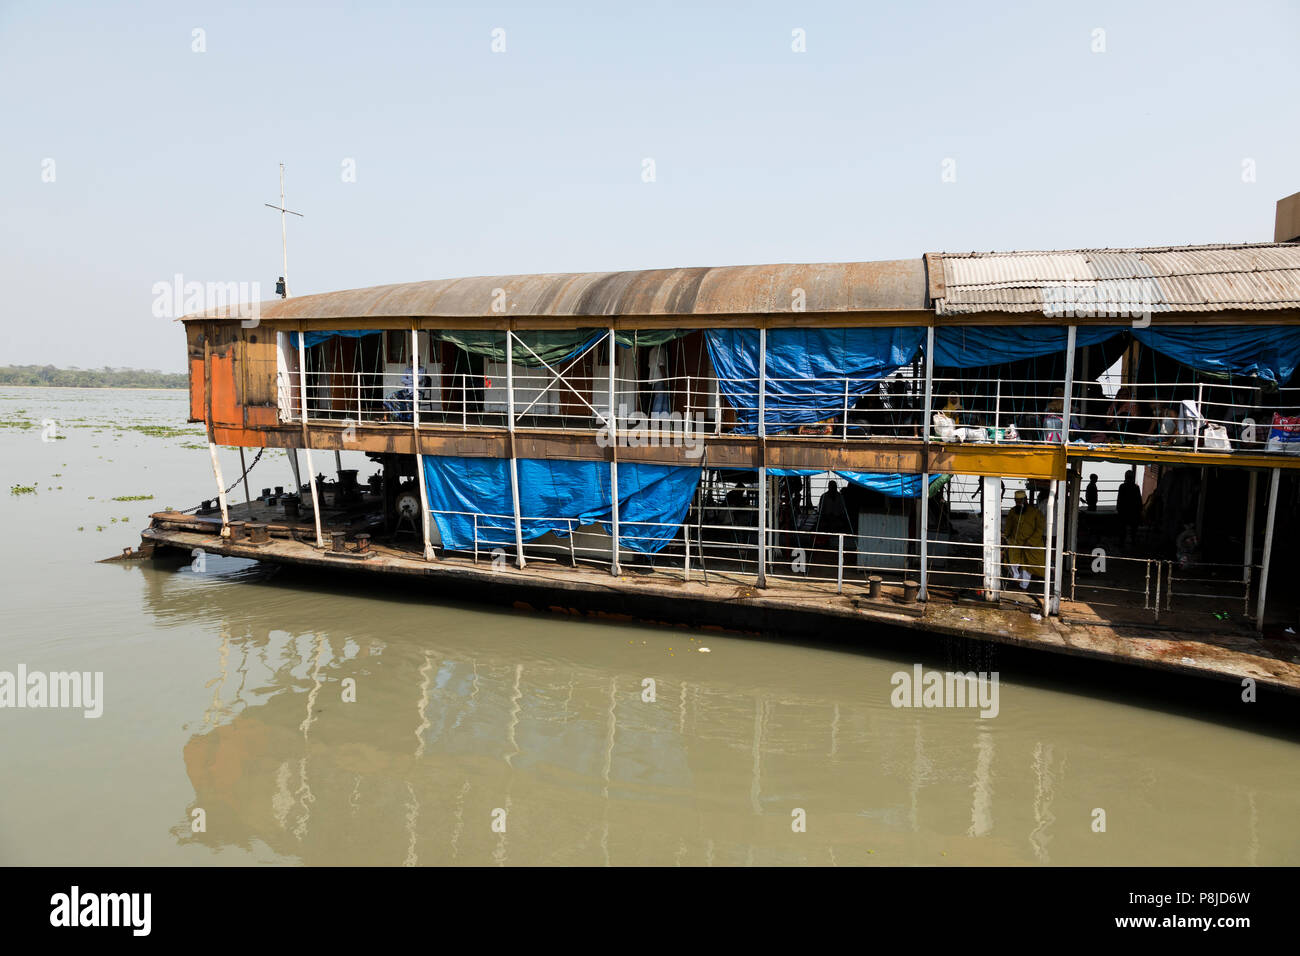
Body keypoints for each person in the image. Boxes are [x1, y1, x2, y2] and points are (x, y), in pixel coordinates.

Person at [1002, 489, 1045, 589]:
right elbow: (1008, 526)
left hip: (1031, 543)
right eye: (1017, 501)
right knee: (1011, 561)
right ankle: (1016, 578)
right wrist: (1005, 537)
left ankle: (1023, 586)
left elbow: (1040, 529)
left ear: (1026, 500)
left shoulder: (1035, 512)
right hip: (1015, 542)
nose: (1019, 503)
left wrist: (1030, 541)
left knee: (1028, 566)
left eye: (1021, 501)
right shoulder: (1012, 511)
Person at [1116, 469, 1143, 547]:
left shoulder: (1122, 486)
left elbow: (1119, 499)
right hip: (1133, 512)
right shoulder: (1136, 487)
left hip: (1124, 511)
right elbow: (1139, 501)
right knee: (1133, 530)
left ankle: (1122, 543)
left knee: (1122, 529)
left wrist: (1119, 509)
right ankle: (1133, 543)